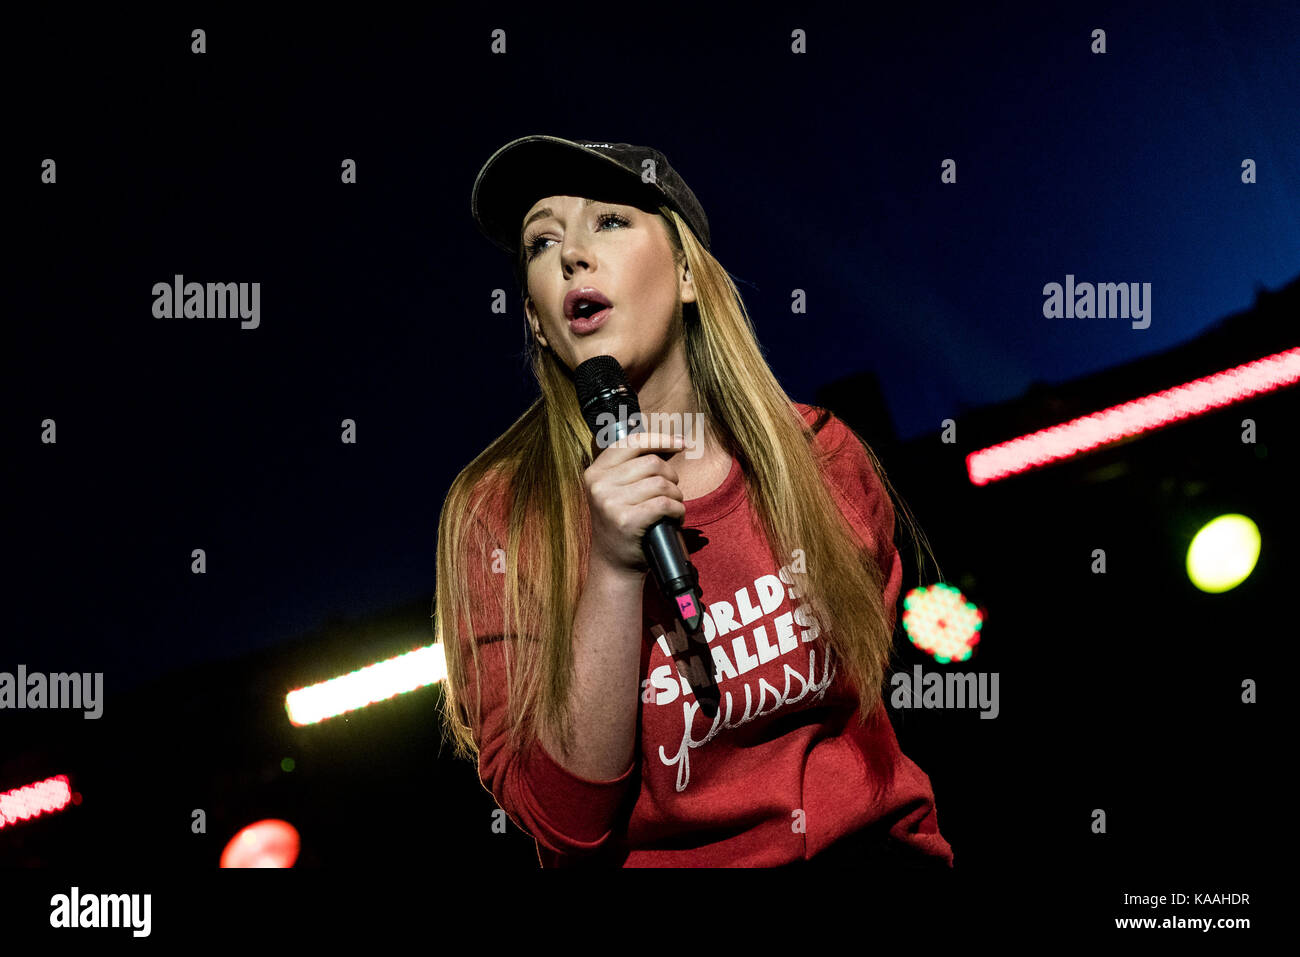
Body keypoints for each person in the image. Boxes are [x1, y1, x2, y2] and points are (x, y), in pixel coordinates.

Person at [434, 135, 954, 868]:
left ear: (685, 273)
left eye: (608, 222)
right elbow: (564, 819)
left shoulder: (818, 456)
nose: (571, 257)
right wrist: (614, 569)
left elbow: (866, 710)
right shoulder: (498, 516)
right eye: (541, 242)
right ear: (537, 320)